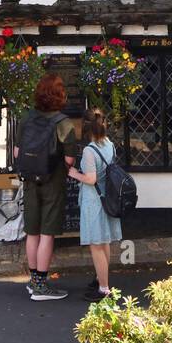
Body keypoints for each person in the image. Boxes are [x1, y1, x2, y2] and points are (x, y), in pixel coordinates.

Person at [15, 74, 76, 302]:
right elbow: (69, 161)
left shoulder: (26, 118)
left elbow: (17, 153)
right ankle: (41, 287)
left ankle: (33, 282)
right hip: (53, 181)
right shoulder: (64, 124)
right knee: (47, 233)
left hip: (30, 180)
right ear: (60, 95)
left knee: (32, 231)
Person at [68, 108, 121, 303]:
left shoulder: (90, 150)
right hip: (107, 197)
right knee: (104, 242)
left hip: (94, 201)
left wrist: (74, 174)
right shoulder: (109, 145)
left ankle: (104, 289)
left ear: (86, 127)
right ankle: (101, 278)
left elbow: (90, 179)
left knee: (96, 246)